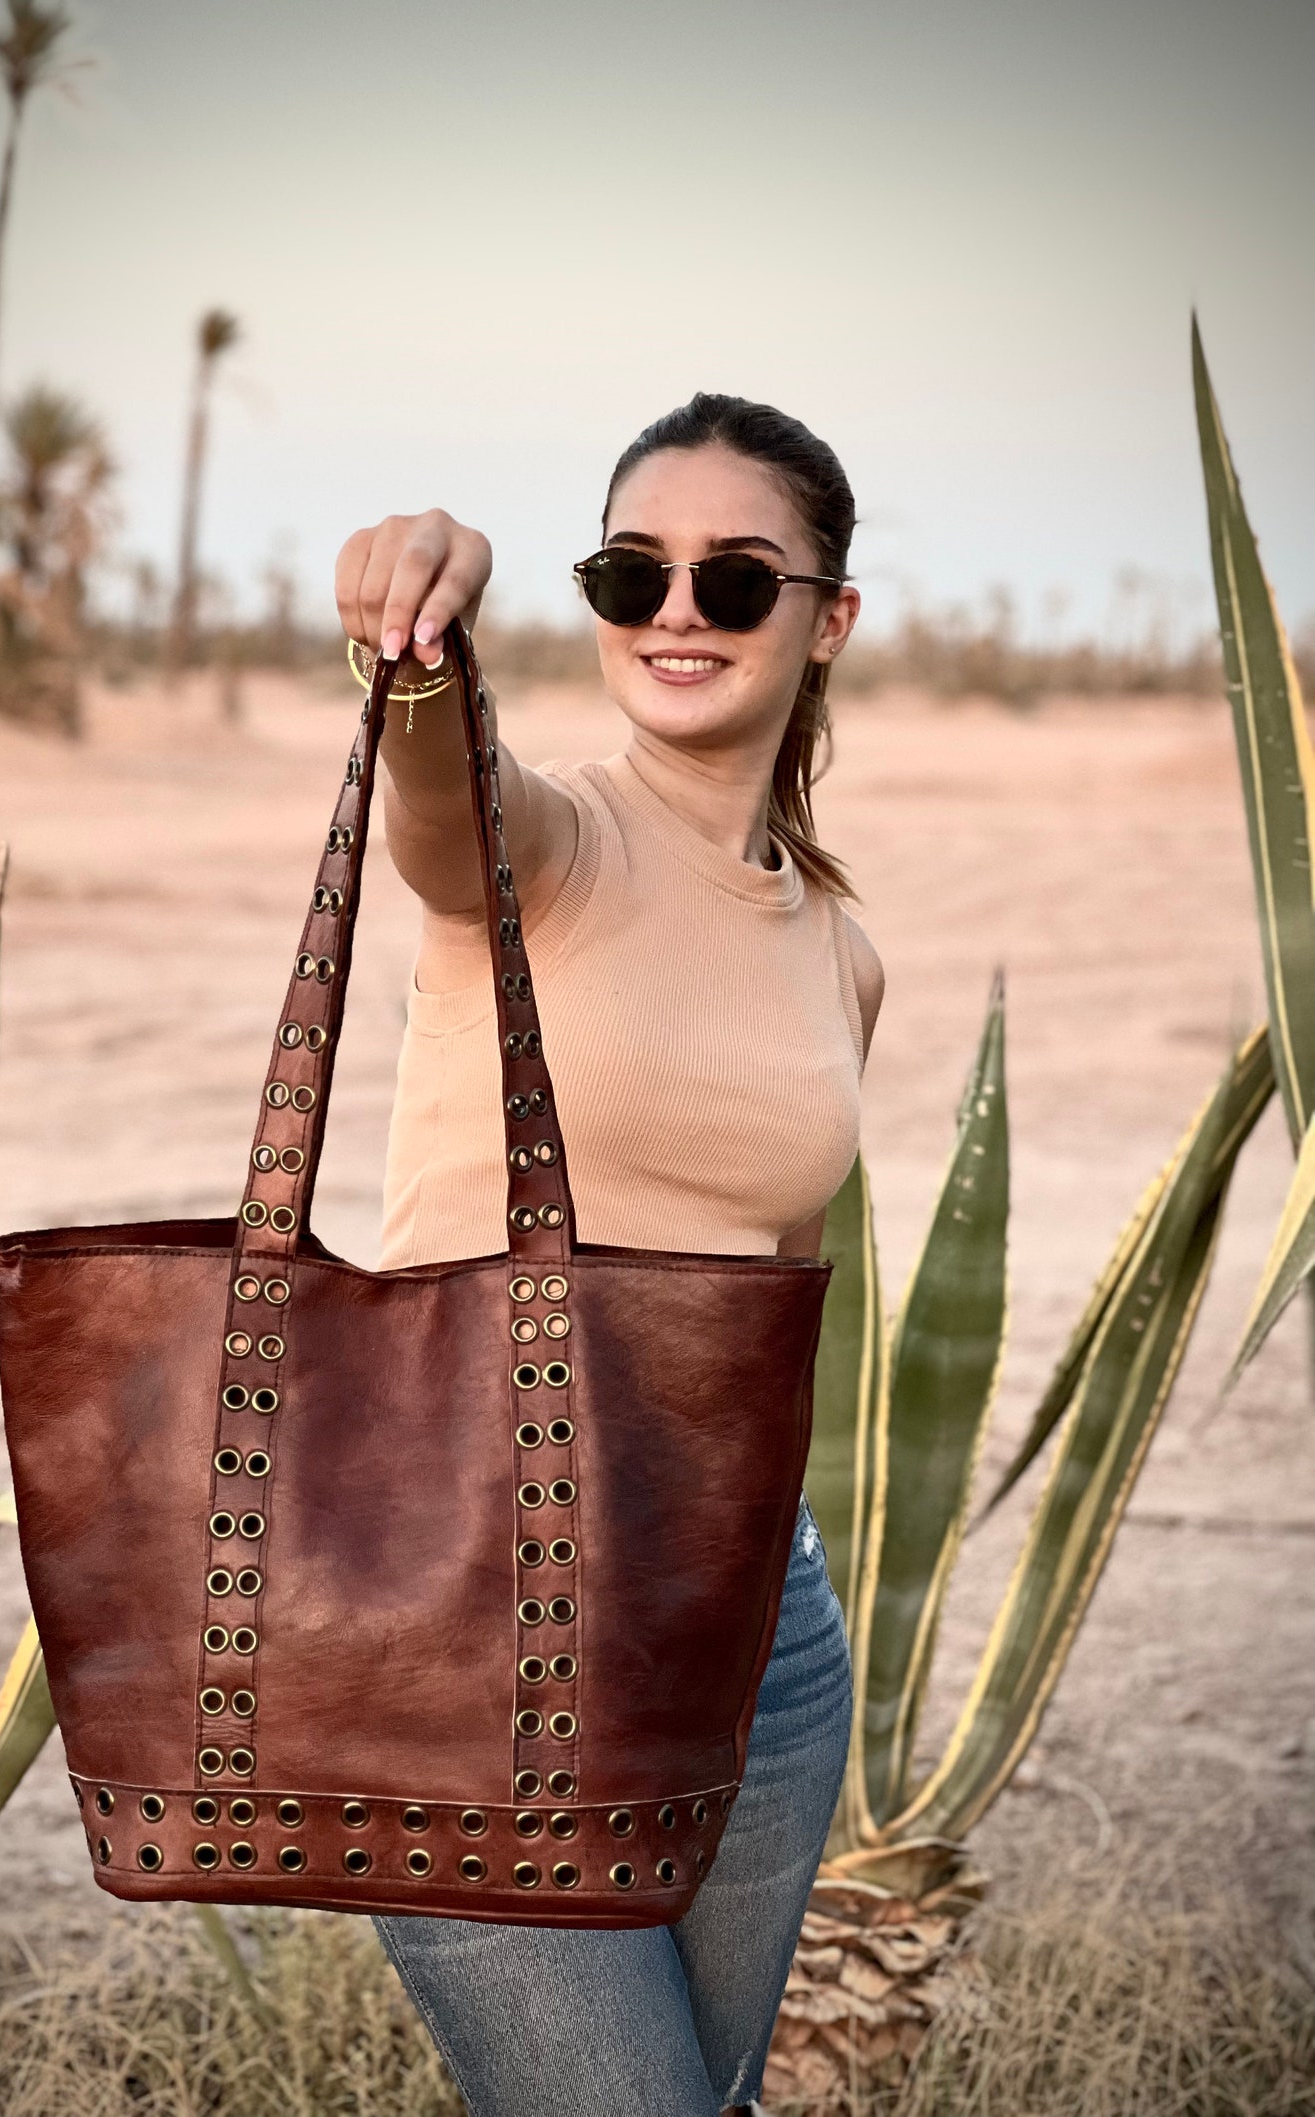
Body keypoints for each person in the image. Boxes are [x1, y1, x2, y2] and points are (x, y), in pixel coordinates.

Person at [333, 393, 882, 2117]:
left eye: (738, 580)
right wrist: (420, 655)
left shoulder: (844, 950)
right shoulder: (549, 843)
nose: (676, 611)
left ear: (828, 616)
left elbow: (771, 1303)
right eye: (633, 570)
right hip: (477, 1618)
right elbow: (443, 801)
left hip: (756, 1630)